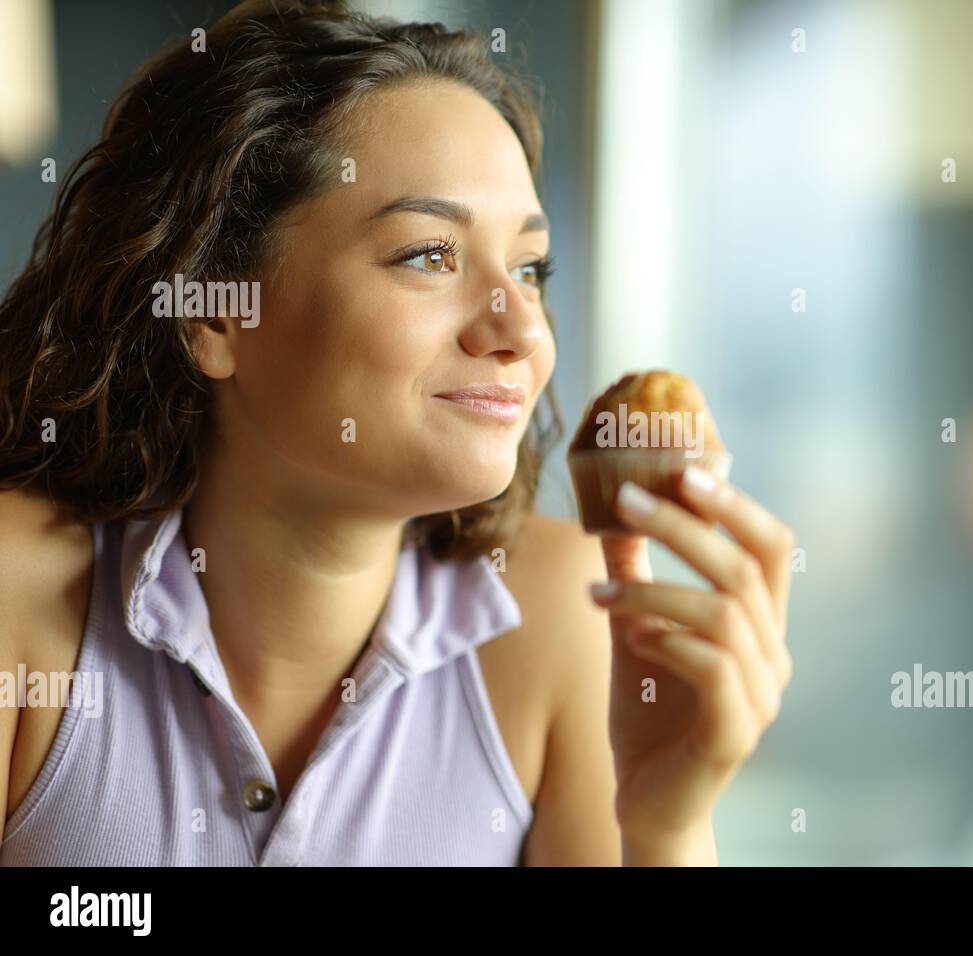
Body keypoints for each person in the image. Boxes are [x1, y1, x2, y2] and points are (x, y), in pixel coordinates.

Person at [0, 0, 793, 866]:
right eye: (429, 255)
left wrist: (666, 826)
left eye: (530, 269)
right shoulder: (22, 603)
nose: (522, 331)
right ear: (216, 312)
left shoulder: (563, 613)